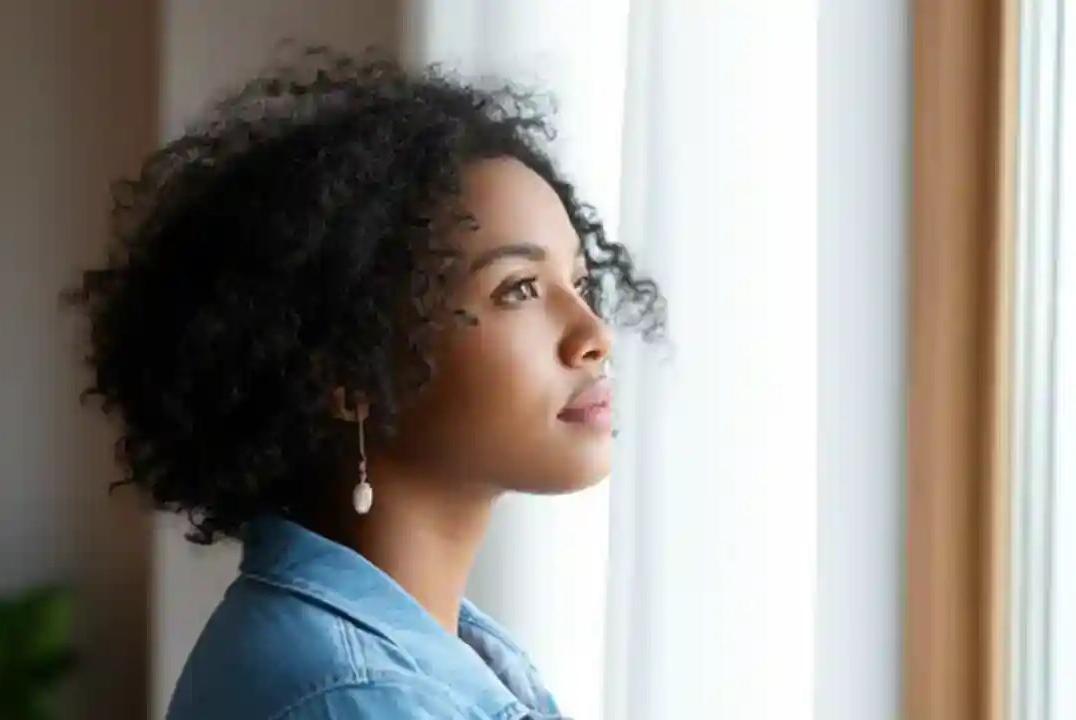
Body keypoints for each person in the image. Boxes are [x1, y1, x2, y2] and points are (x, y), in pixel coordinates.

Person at [62, 46, 665, 720]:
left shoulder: (437, 659)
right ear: (350, 369)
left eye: (579, 283)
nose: (594, 336)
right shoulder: (362, 697)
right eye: (519, 289)